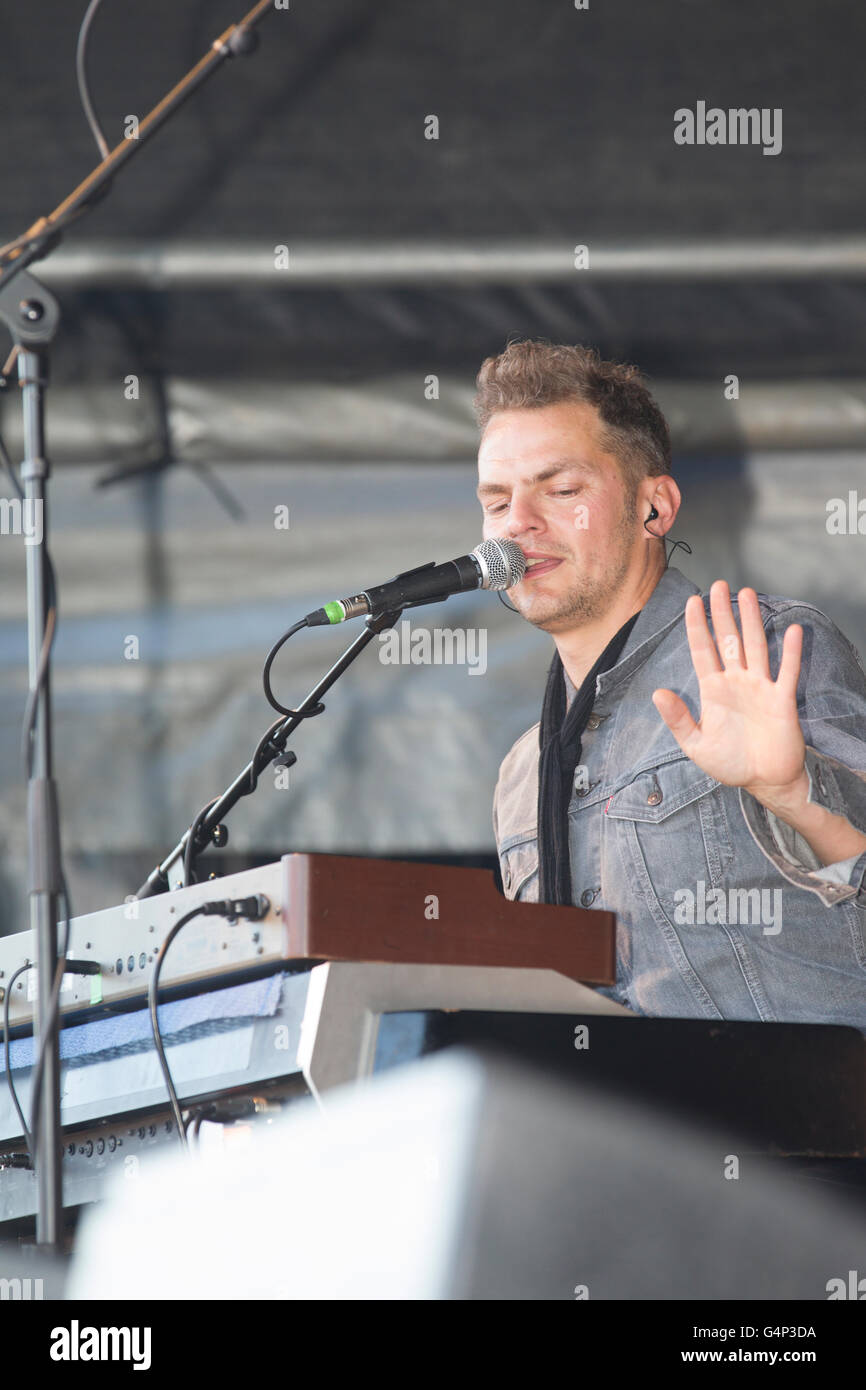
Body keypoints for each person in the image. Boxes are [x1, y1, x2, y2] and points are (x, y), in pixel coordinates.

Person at [478, 339, 866, 1027]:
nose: (516, 526)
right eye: (497, 501)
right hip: (623, 1129)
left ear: (654, 507)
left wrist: (795, 795)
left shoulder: (762, 653)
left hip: (802, 1126)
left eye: (560, 489)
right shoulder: (522, 771)